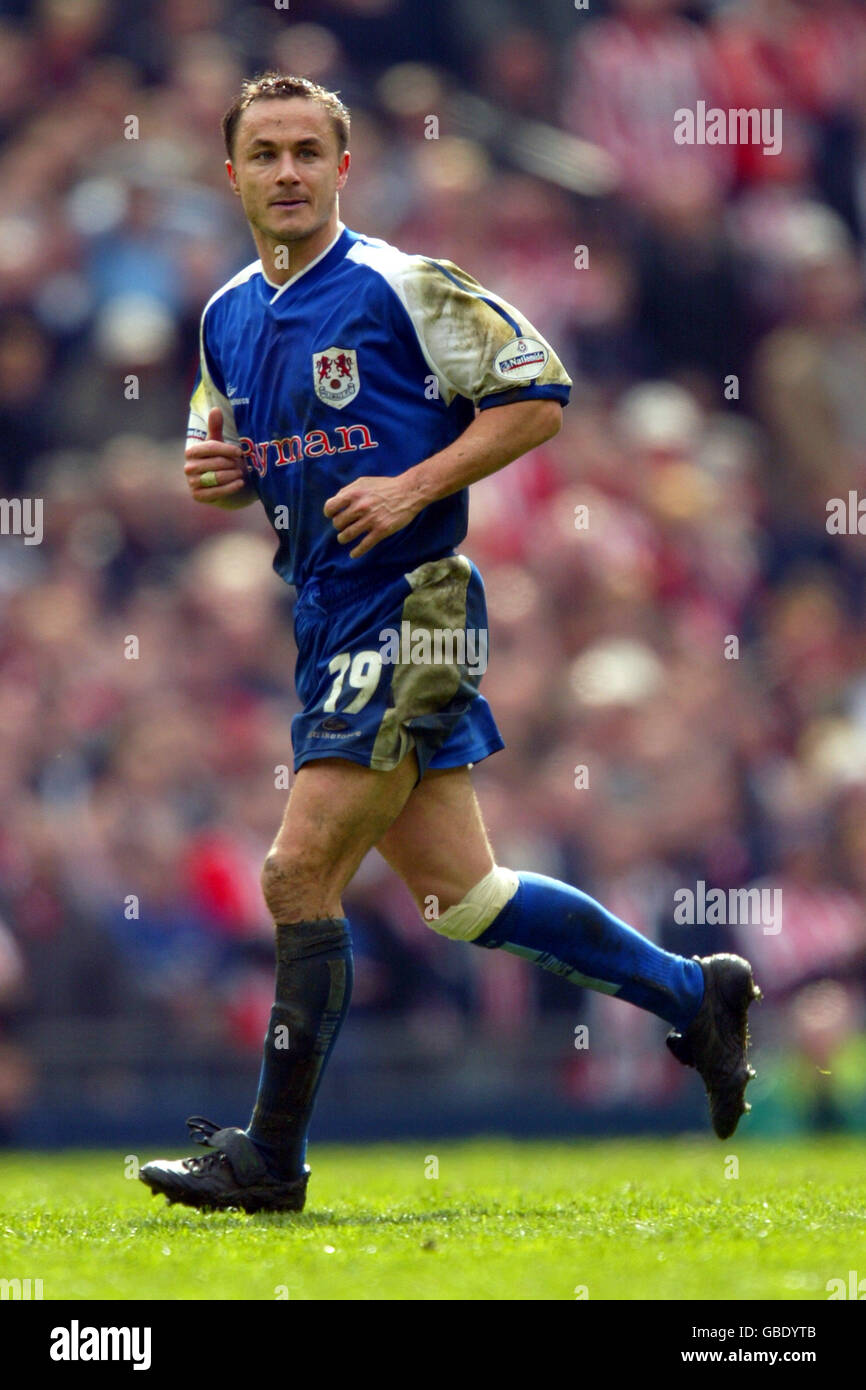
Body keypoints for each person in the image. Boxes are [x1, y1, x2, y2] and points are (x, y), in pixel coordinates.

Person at [140, 73, 761, 1214]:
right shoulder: (224, 313)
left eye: (306, 152)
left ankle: (269, 1160)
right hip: (323, 612)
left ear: (342, 167)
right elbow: (219, 455)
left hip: (413, 601)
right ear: (230, 175)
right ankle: (692, 995)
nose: (286, 172)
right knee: (461, 896)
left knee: (294, 870)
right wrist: (216, 480)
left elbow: (537, 393)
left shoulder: (401, 283)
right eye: (264, 153)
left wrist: (412, 483)